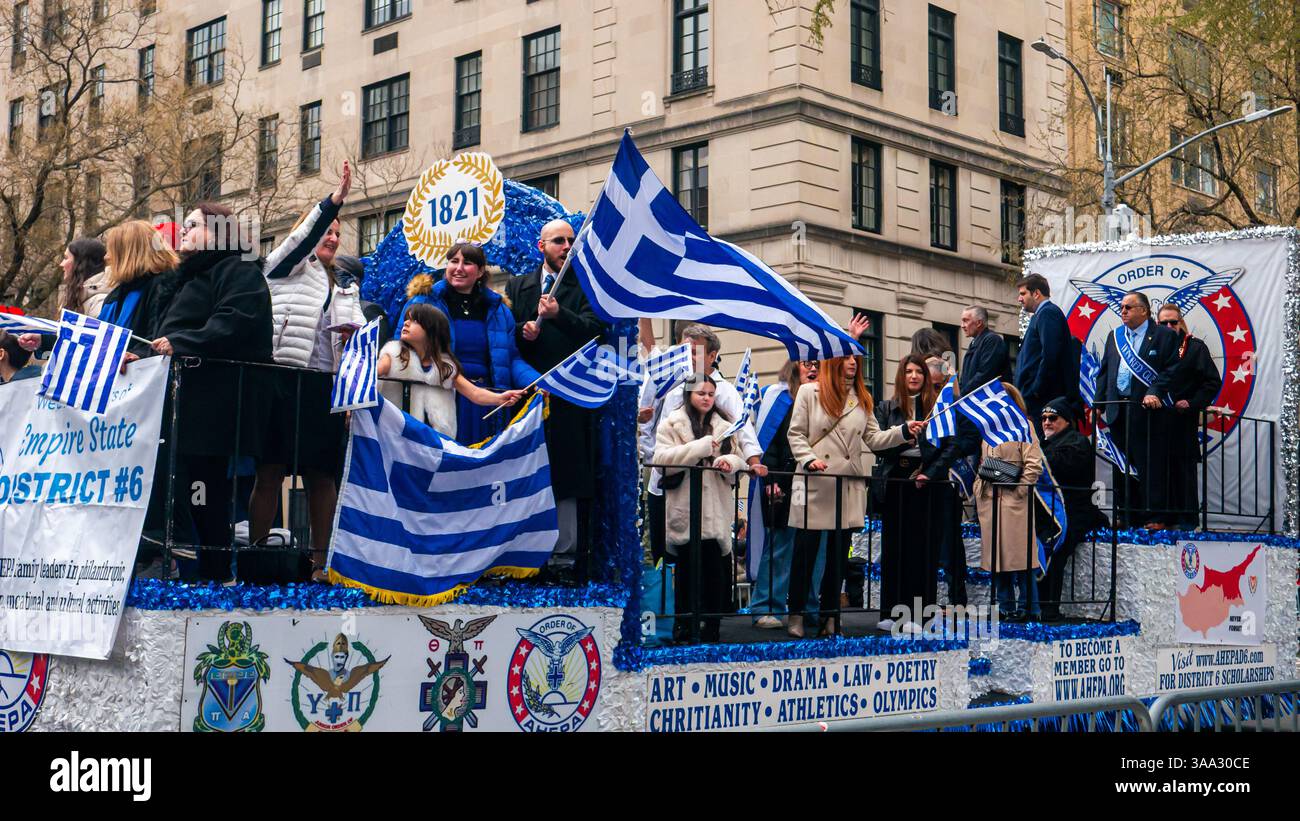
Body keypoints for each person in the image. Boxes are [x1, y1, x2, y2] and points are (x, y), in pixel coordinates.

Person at [247, 164, 365, 579]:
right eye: (326, 231)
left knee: (322, 475)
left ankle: (321, 562)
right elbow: (301, 241)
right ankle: (259, 557)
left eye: (337, 233)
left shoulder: (346, 287)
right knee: (270, 471)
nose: (332, 238)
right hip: (283, 379)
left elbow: (355, 346)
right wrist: (333, 202)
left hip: (323, 387)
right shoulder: (285, 266)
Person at [150, 201, 275, 581]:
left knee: (205, 489)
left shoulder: (239, 270)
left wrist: (183, 342)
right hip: (176, 401)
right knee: (181, 485)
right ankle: (183, 564)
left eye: (191, 225)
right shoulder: (182, 279)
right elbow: (159, 335)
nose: (182, 231)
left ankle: (214, 572)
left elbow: (235, 322)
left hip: (214, 404)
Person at [787, 355, 922, 638]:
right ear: (835, 360)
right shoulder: (809, 392)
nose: (853, 362)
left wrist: (903, 431)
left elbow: (874, 439)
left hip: (847, 483)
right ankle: (796, 613)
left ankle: (830, 616)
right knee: (805, 553)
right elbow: (796, 433)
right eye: (847, 357)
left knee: (839, 557)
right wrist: (809, 459)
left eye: (856, 358)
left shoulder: (862, 397)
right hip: (815, 480)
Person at [507, 218, 607, 580]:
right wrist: (524, 331)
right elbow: (506, 336)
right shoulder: (519, 286)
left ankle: (564, 559)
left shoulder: (584, 287)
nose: (566, 247)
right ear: (541, 246)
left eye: (570, 241)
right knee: (528, 473)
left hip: (569, 400)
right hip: (526, 397)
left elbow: (596, 333)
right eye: (558, 241)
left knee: (565, 478)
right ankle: (526, 558)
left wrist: (558, 315)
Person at [646, 324, 767, 561]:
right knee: (663, 553)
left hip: (703, 491)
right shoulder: (671, 384)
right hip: (663, 481)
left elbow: (743, 428)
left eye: (694, 352)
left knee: (703, 556)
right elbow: (650, 423)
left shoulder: (724, 391)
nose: (687, 357)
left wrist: (753, 461)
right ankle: (670, 597)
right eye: (683, 350)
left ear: (712, 356)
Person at [399, 242, 540, 446]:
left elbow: (511, 358)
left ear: (481, 271)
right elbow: (401, 350)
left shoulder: (500, 311)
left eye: (468, 263)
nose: (458, 268)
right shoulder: (422, 303)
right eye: (453, 261)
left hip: (487, 402)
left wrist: (536, 381)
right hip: (439, 398)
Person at [653, 375, 746, 643]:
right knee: (686, 571)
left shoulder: (725, 426)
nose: (706, 398)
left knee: (715, 573)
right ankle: (685, 624)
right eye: (700, 393)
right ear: (688, 395)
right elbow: (661, 460)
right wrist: (699, 448)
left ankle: (712, 625)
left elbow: (738, 460)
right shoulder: (671, 423)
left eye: (710, 394)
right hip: (685, 509)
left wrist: (729, 462)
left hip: (715, 511)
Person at [874, 355, 964, 633]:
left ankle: (918, 614)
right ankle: (890, 610)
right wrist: (902, 435)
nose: (913, 376)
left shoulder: (938, 407)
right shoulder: (888, 407)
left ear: (926, 377)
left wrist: (932, 472)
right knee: (894, 548)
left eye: (919, 372)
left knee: (923, 550)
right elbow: (877, 444)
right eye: (908, 371)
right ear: (901, 376)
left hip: (926, 481)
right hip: (896, 480)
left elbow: (952, 445)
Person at [749, 359, 825, 629]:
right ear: (795, 368)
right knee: (782, 545)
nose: (813, 368)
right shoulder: (779, 398)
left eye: (817, 364)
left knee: (817, 549)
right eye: (807, 364)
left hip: (819, 485)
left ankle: (809, 608)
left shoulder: (826, 399)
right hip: (788, 484)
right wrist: (771, 479)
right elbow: (769, 442)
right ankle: (766, 605)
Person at [1096, 290, 1180, 528]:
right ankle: (1126, 514)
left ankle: (1154, 516)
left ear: (1144, 310)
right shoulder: (1115, 336)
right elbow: (1105, 372)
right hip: (1118, 410)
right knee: (1121, 465)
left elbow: (1172, 370)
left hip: (1148, 412)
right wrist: (1099, 403)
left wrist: (1155, 391)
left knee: (1150, 464)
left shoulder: (1163, 336)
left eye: (1128, 307)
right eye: (1122, 307)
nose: (1122, 311)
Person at [378, 303, 523, 433]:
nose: (406, 324)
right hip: (393, 438)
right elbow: (367, 376)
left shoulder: (445, 367)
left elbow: (474, 393)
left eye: (414, 320)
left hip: (433, 444)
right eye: (406, 320)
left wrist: (500, 398)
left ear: (432, 330)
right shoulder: (393, 354)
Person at [973, 382, 1043, 622]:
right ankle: (1005, 607)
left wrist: (1019, 492)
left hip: (1013, 502)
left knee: (1021, 560)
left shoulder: (1025, 426)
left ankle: (1029, 608)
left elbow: (1034, 464)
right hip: (990, 500)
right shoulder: (988, 431)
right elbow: (984, 463)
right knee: (997, 560)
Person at [1036, 397, 1109, 621]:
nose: (1046, 422)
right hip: (1048, 512)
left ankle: (1049, 609)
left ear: (1066, 421)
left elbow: (1054, 466)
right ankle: (1032, 606)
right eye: (1044, 418)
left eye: (1053, 418)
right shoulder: (1043, 443)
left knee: (1054, 550)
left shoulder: (1077, 442)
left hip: (1074, 512)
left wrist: (1028, 459)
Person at [1157, 303, 1221, 529]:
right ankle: (1161, 518)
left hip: (1183, 420)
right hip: (1155, 421)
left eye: (1173, 322)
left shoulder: (1194, 347)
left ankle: (1187, 522)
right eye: (1163, 322)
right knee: (1157, 471)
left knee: (1183, 472)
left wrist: (1193, 402)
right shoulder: (1149, 349)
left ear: (1180, 322)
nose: (1168, 326)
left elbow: (1212, 382)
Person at [99, 220, 181, 357]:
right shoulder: (116, 295)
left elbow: (161, 338)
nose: (106, 257)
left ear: (128, 254)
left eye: (112, 250)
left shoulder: (166, 286)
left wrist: (137, 355)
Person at [1014, 274, 1072, 433]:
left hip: (1043, 399)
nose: (1019, 299)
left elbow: (1050, 355)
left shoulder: (1048, 313)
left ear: (1036, 293)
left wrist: (1036, 390)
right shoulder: (1039, 315)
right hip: (1035, 399)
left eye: (1023, 293)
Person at [960, 305, 1010, 395]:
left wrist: (961, 395)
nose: (962, 326)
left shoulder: (992, 340)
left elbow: (984, 376)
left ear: (979, 323)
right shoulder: (974, 343)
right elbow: (965, 379)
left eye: (966, 321)